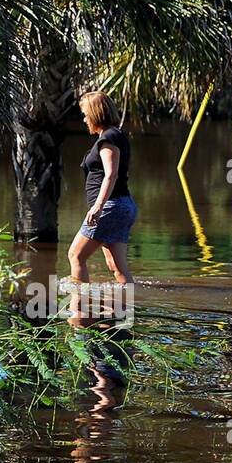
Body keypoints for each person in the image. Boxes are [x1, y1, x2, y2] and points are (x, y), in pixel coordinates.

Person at [66, 90, 136, 324]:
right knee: (116, 267)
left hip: (111, 207)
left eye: (86, 114)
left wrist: (97, 207)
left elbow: (111, 174)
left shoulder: (108, 139)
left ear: (96, 113)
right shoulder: (114, 136)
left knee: (75, 255)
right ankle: (123, 316)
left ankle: (79, 312)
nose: (84, 119)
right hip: (120, 206)